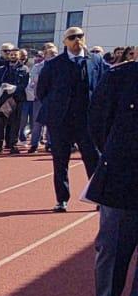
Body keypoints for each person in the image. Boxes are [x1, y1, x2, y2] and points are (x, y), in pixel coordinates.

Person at [88, 57, 138, 296]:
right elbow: (97, 122)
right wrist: (117, 155)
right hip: (121, 181)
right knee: (112, 255)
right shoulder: (121, 77)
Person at [36, 26, 110, 212]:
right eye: (72, 37)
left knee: (93, 159)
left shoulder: (96, 60)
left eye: (80, 36)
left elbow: (105, 85)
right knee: (60, 161)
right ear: (65, 42)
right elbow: (42, 91)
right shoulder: (54, 64)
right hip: (61, 121)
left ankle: (98, 197)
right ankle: (61, 199)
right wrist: (57, 108)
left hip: (87, 121)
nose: (77, 39)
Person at [0, 49, 29, 153]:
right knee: (0, 123)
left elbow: (24, 84)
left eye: (15, 54)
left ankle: (13, 145)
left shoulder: (24, 69)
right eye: (11, 54)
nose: (12, 56)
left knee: (15, 123)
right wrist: (3, 89)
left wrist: (14, 88)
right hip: (3, 98)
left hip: (17, 98)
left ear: (19, 56)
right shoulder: (2, 69)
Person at [26, 44, 57, 152]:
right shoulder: (38, 66)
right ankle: (34, 144)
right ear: (45, 55)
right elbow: (35, 79)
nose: (54, 56)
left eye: (55, 54)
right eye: (51, 54)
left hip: (54, 98)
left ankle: (50, 143)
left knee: (52, 122)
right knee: (37, 122)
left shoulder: (60, 66)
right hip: (40, 97)